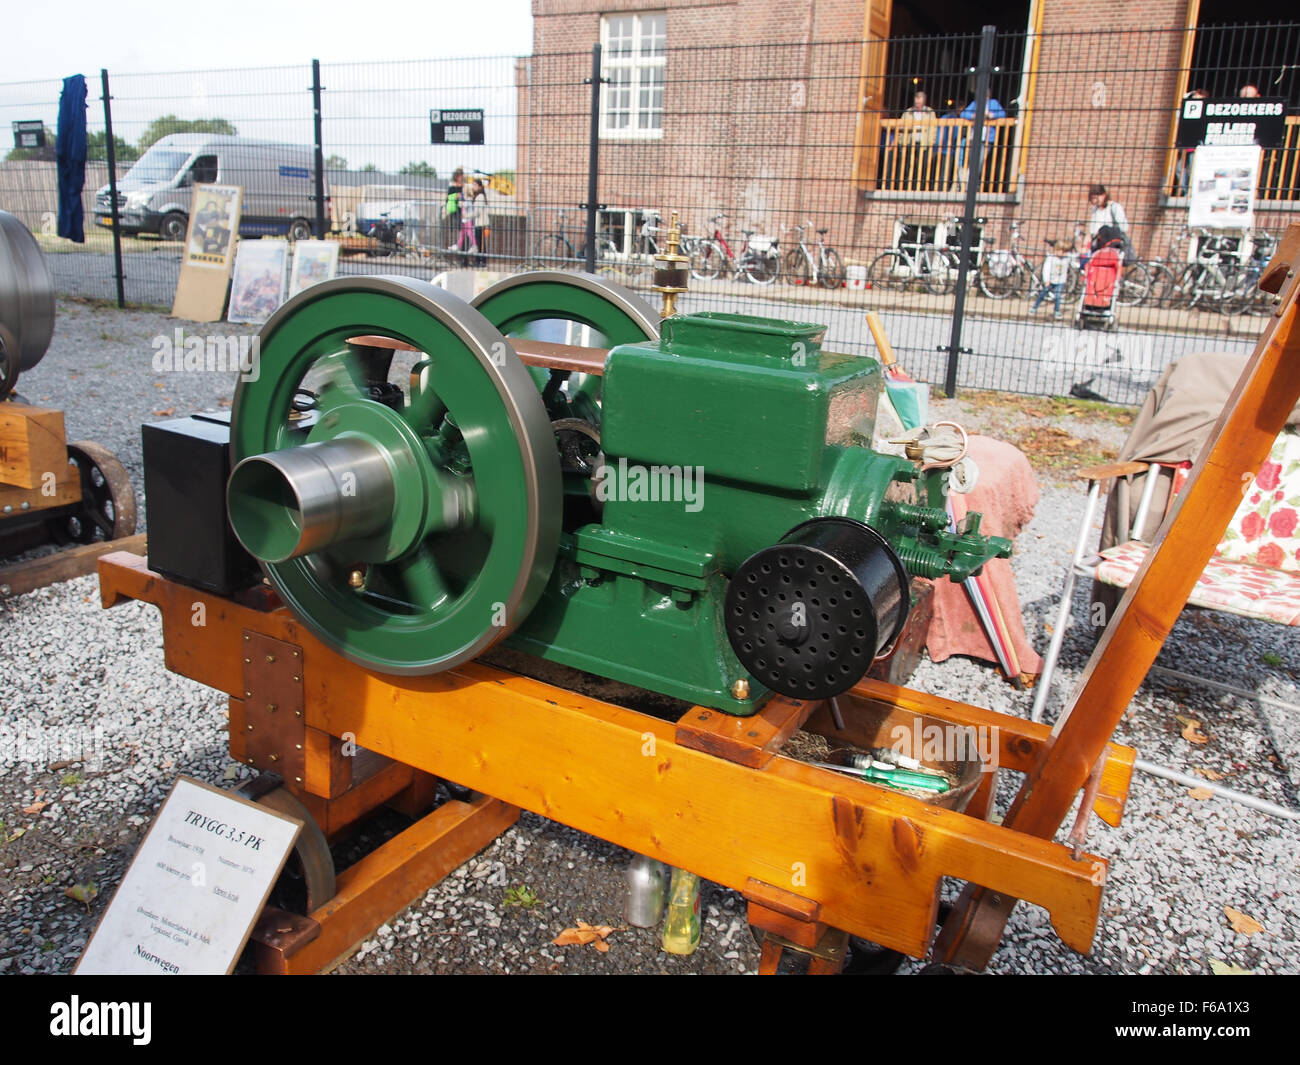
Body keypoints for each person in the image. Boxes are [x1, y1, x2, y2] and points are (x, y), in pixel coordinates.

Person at [896, 89, 937, 189]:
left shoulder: (930, 113)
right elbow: (900, 126)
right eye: (916, 99)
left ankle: (920, 187)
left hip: (924, 143)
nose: (917, 101)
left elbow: (933, 129)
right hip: (910, 142)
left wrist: (931, 142)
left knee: (923, 166)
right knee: (908, 166)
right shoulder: (908, 112)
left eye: (920, 99)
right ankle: (906, 187)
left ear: (924, 100)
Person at [1032, 239, 1072, 320]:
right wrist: (1046, 280)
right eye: (1062, 251)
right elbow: (1046, 269)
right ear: (1056, 250)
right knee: (1043, 294)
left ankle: (1057, 310)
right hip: (1050, 280)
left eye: (1065, 252)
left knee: (1058, 296)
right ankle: (1035, 307)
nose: (1063, 254)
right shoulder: (1051, 258)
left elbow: (1073, 255)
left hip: (1060, 281)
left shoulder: (1066, 258)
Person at [466, 178, 489, 266]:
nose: (473, 187)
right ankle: (479, 261)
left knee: (481, 244)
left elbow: (477, 212)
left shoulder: (480, 197)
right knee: (479, 243)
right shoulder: (478, 196)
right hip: (478, 223)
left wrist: (467, 215)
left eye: (475, 185)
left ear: (479, 186)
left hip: (482, 223)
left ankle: (482, 261)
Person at [444, 167, 464, 251]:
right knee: (453, 226)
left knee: (461, 227)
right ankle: (453, 244)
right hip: (454, 209)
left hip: (461, 209)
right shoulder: (452, 186)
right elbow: (447, 197)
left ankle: (459, 245)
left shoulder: (463, 186)